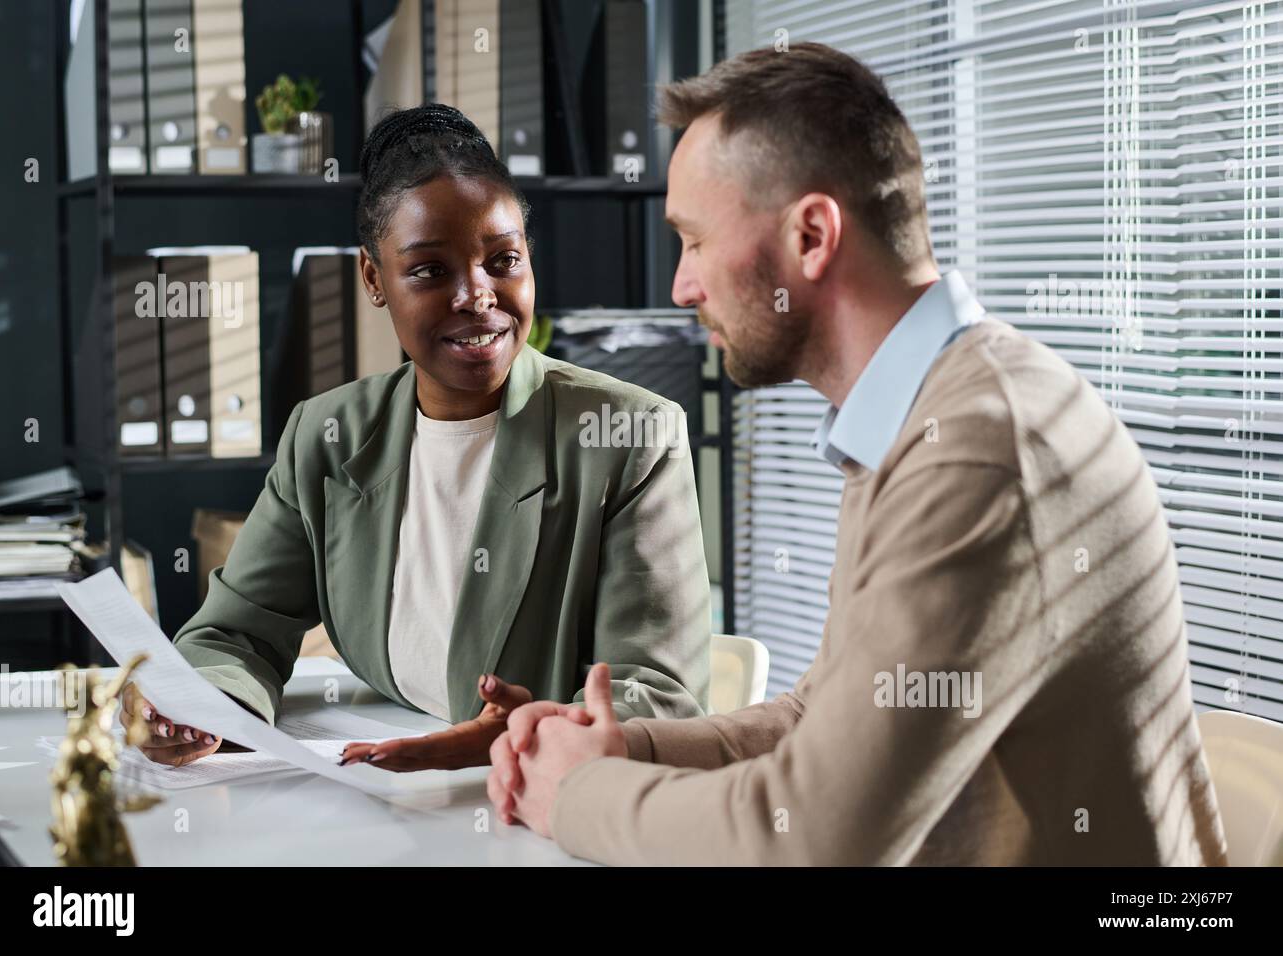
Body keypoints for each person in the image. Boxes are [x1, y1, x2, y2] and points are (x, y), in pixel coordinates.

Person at [488, 43, 1229, 865]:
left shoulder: (979, 449)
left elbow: (816, 836)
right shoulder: (917, 415)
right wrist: (628, 750)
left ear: (811, 236)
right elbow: (818, 719)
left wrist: (576, 794)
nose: (680, 287)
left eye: (694, 241)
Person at [121, 105, 711, 770]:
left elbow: (657, 699)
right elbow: (233, 634)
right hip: (392, 802)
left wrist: (509, 741)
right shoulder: (330, 435)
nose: (477, 295)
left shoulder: (629, 438)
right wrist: (195, 708)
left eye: (503, 260)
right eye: (430, 270)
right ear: (374, 279)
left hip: (549, 808)